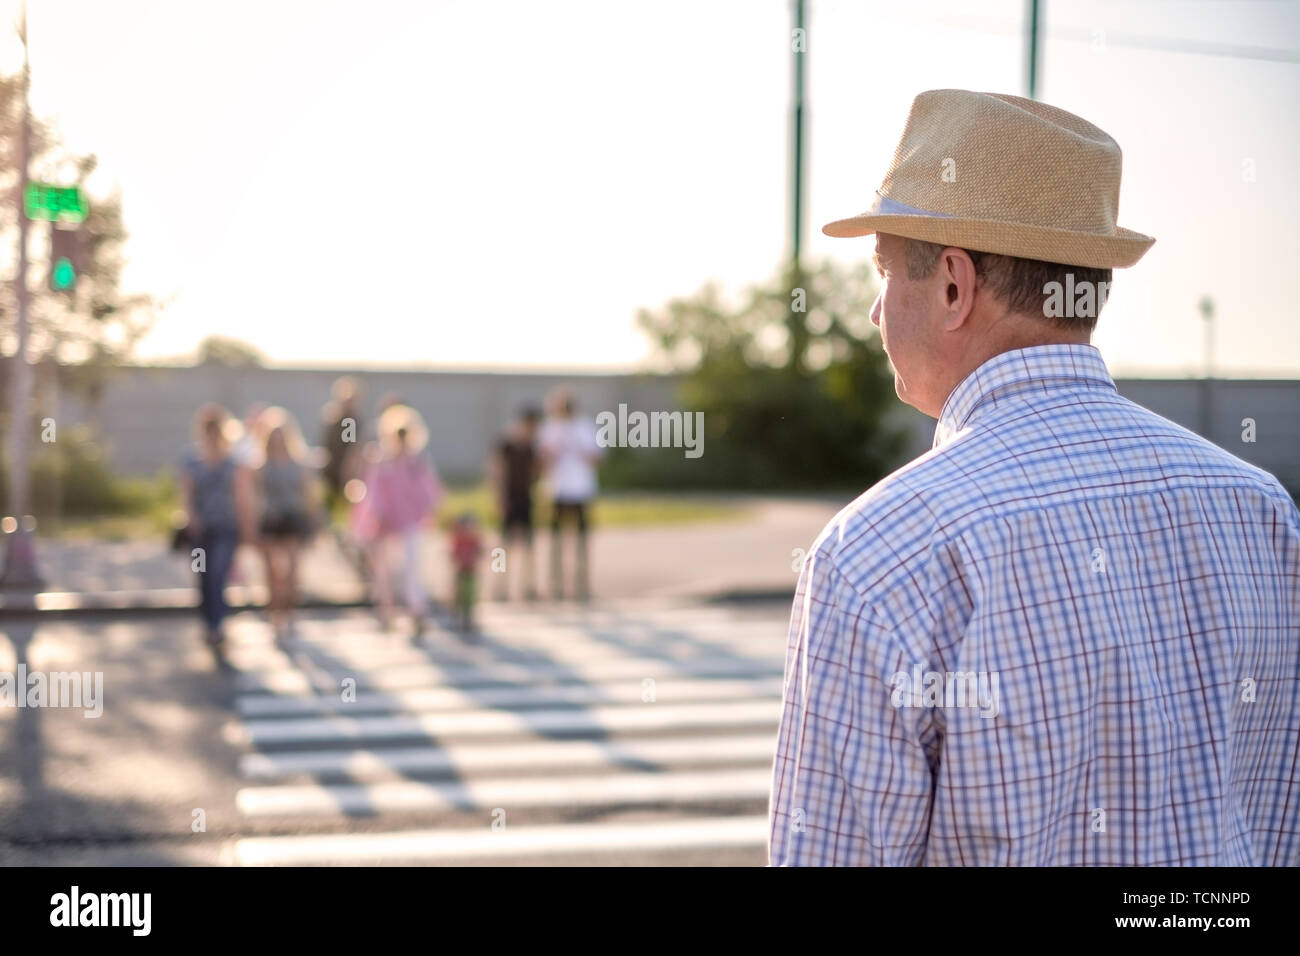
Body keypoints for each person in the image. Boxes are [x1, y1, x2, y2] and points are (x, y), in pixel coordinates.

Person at [769, 89, 1300, 866]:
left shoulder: (878, 554)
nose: (878, 312)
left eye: (886, 274)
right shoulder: (1261, 511)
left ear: (953, 285)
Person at [352, 404, 444, 640]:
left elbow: (430, 490)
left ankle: (416, 609)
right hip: (386, 522)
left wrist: (430, 511)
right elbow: (373, 491)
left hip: (410, 521)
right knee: (386, 569)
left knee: (411, 568)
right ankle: (387, 609)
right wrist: (375, 516)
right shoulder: (382, 460)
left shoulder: (418, 461)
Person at [178, 403, 256, 658]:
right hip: (201, 530)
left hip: (226, 528)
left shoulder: (233, 461)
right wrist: (192, 518)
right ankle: (208, 622)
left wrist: (247, 531)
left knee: (218, 575)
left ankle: (218, 625)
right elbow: (186, 494)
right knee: (203, 577)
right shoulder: (191, 460)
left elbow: (242, 497)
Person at [256, 408, 318, 647]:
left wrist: (314, 521)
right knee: (273, 572)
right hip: (271, 520)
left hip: (293, 519)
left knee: (292, 571)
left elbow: (308, 494)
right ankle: (275, 613)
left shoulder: (298, 463)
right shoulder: (261, 465)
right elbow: (254, 496)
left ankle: (289, 612)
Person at [536, 388, 602, 601]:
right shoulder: (549, 429)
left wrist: (580, 448)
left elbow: (597, 459)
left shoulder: (585, 427)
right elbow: (542, 461)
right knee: (556, 539)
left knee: (582, 539)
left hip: (581, 489)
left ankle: (582, 585)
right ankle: (556, 585)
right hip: (558, 489)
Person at [487, 404, 543, 601]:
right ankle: (499, 585)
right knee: (502, 546)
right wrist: (499, 496)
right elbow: (497, 470)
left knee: (528, 544)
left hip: (526, 497)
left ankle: (529, 585)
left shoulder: (532, 445)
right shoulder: (507, 443)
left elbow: (537, 471)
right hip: (509, 498)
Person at [320, 377, 367, 581]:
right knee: (334, 517)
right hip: (332, 475)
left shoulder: (350, 421)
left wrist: (349, 472)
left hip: (345, 477)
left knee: (349, 518)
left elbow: (352, 448)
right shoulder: (335, 419)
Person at [450, 512, 484, 633]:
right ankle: (460, 614)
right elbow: (454, 554)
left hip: (471, 572)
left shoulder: (475, 540)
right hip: (461, 571)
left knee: (470, 595)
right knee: (460, 593)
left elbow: (481, 552)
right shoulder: (458, 540)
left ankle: (468, 618)